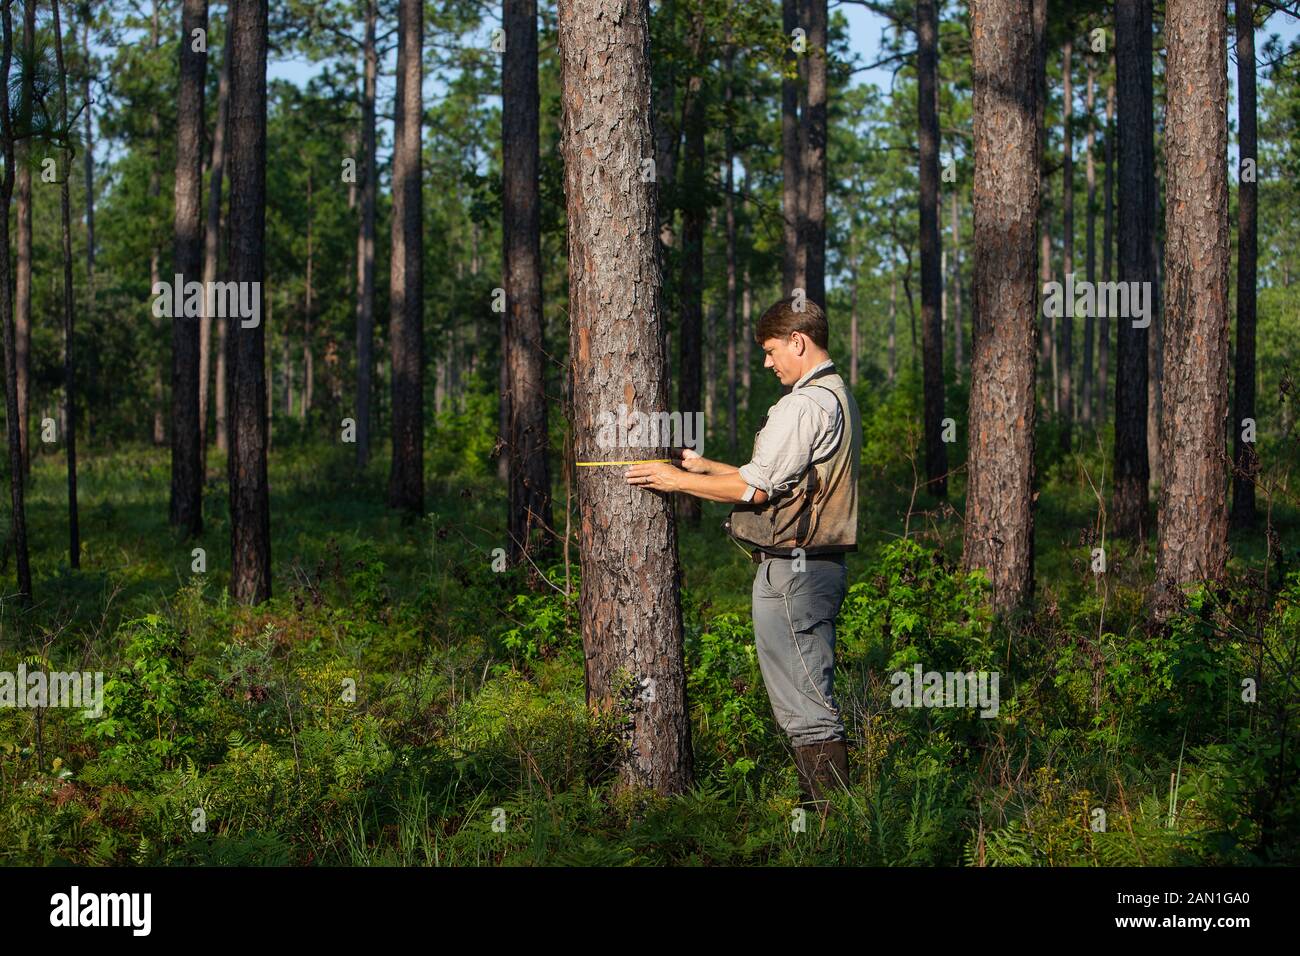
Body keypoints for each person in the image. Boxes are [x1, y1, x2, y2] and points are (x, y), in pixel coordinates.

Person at [625, 296, 862, 812]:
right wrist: (708, 468)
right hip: (807, 569)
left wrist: (675, 480)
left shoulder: (804, 404)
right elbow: (779, 479)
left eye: (772, 350)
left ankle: (832, 823)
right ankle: (830, 817)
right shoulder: (832, 396)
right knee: (804, 698)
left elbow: (755, 492)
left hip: (797, 573)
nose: (767, 362)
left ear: (798, 341)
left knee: (807, 706)